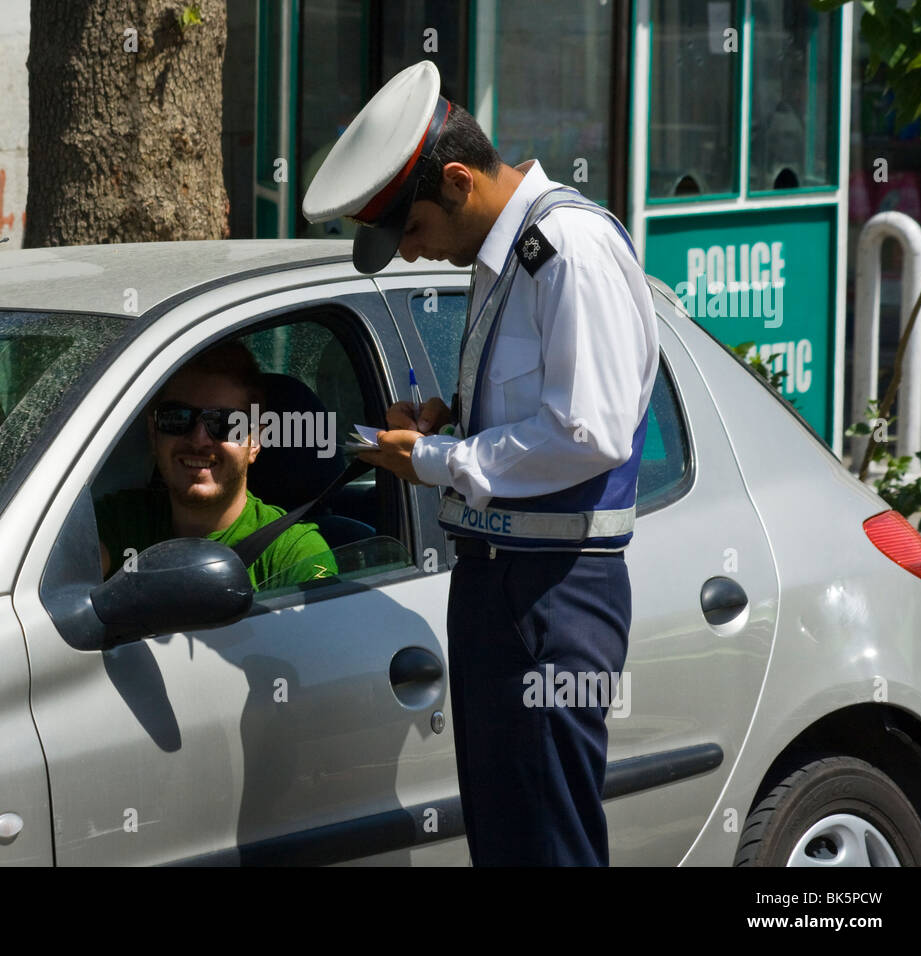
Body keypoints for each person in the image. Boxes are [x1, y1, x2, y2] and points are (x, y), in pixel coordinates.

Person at [300, 60, 658, 865]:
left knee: (545, 845)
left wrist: (433, 457)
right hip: (506, 583)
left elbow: (588, 432)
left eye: (414, 232)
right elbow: (545, 406)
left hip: (554, 589)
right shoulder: (513, 252)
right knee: (509, 841)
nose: (414, 255)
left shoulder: (565, 250)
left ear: (457, 180)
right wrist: (453, 422)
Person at [94, 340, 336, 592]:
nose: (199, 440)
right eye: (176, 417)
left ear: (254, 441)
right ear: (153, 435)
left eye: (225, 423)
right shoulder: (119, 522)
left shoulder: (293, 552)